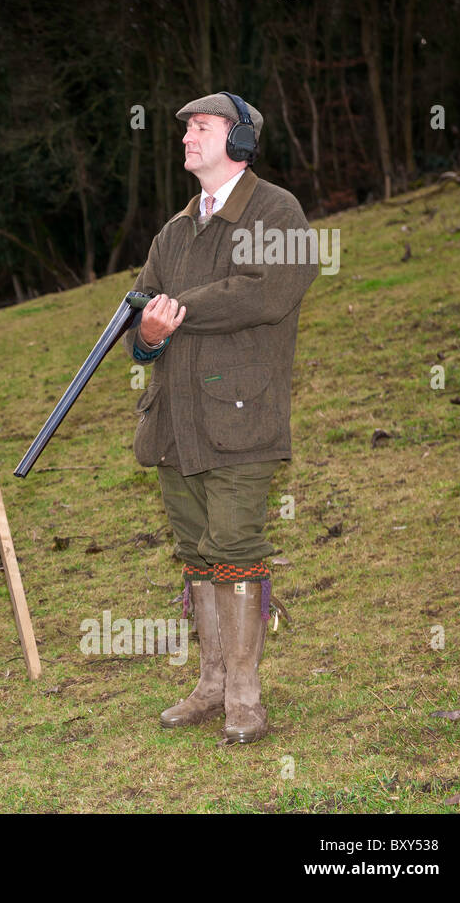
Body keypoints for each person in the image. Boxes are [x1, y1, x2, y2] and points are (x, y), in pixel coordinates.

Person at [123, 92, 319, 744]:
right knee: (195, 555)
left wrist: (172, 308)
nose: (185, 137)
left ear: (239, 141)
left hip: (239, 419)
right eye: (182, 130)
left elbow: (263, 291)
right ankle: (209, 686)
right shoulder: (173, 233)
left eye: (199, 128)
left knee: (234, 553)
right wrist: (148, 335)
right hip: (174, 423)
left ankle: (245, 700)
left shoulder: (275, 211)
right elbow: (142, 329)